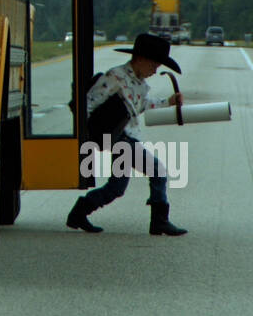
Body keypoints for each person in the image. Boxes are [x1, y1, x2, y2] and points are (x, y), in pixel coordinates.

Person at [66, 33, 188, 236]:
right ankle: (159, 221)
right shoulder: (115, 77)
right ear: (140, 59)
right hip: (119, 137)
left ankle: (79, 213)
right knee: (157, 170)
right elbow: (89, 103)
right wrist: (89, 133)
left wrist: (168, 102)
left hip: (126, 137)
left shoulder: (138, 82)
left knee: (116, 188)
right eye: (153, 65)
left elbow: (139, 106)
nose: (154, 71)